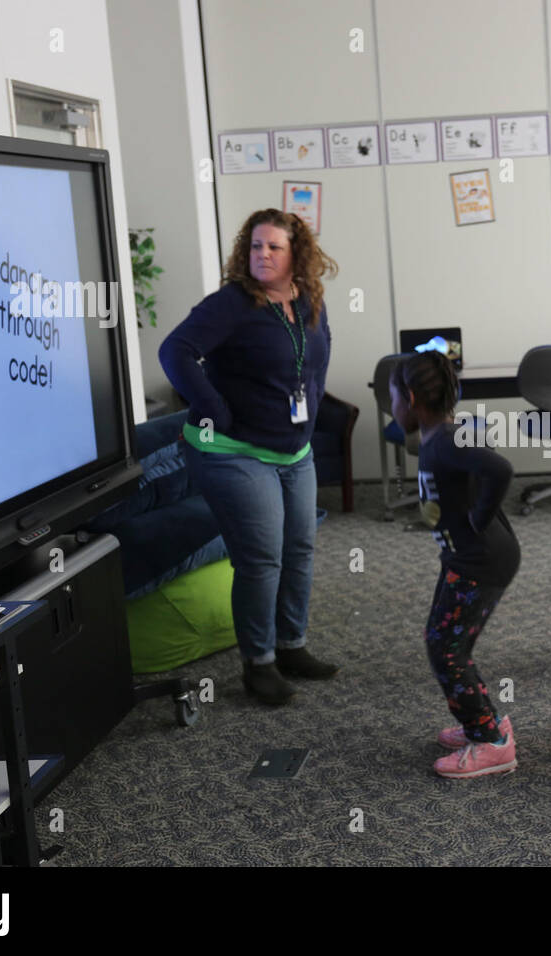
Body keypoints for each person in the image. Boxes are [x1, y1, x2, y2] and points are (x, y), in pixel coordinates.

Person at [159, 209, 338, 706]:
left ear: (296, 254)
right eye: (256, 246)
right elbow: (175, 351)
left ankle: (290, 646)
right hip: (233, 451)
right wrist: (213, 406)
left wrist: (309, 412)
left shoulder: (309, 299)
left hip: (294, 451)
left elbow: (318, 357)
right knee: (262, 558)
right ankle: (258, 665)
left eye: (274, 247)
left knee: (299, 549)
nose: (263, 254)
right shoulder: (232, 303)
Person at [389, 351, 521, 779]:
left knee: (446, 649)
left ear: (411, 398)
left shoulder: (446, 440)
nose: (392, 408)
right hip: (464, 559)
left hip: (479, 562)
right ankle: (482, 721)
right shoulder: (438, 439)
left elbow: (500, 469)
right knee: (444, 642)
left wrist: (478, 519)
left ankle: (490, 741)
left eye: (393, 398)